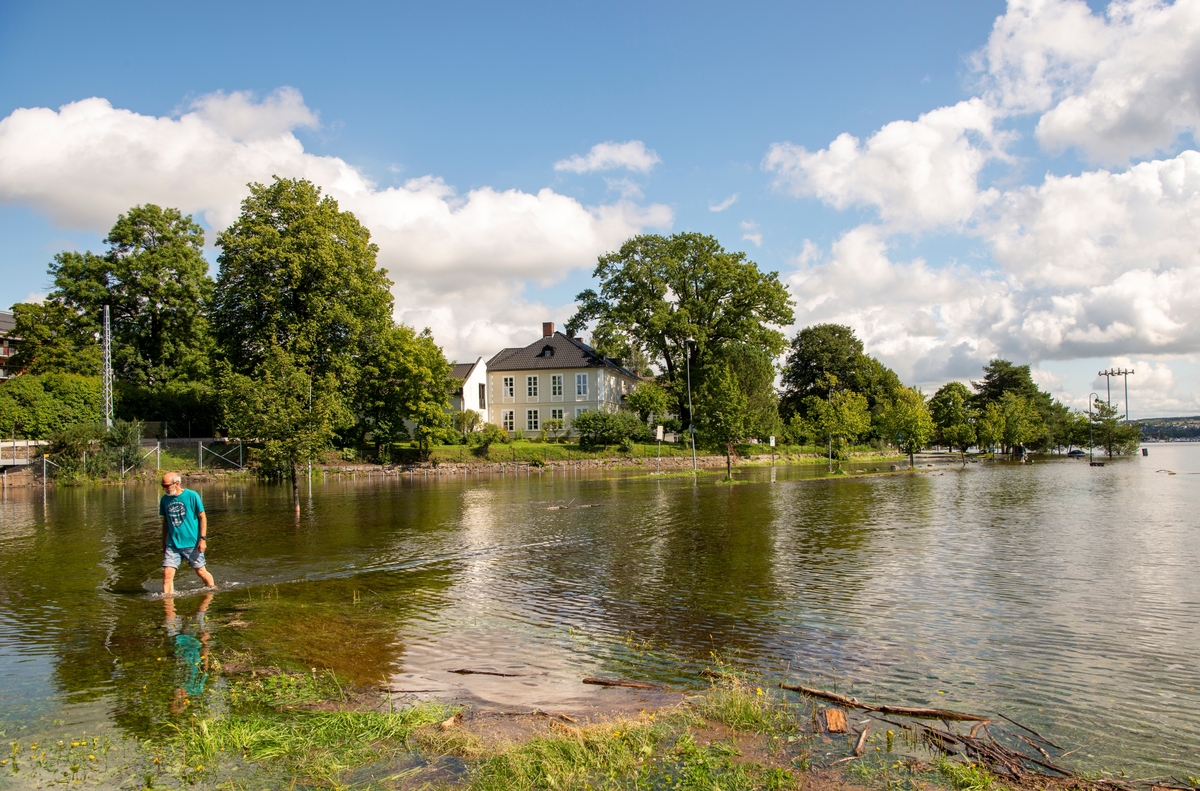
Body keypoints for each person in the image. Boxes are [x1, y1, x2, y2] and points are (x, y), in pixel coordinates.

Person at [159, 472, 215, 595]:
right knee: (167, 574)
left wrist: (202, 539)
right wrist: (164, 542)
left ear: (177, 483)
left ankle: (212, 590)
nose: (164, 489)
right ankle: (169, 609)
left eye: (167, 485)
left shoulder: (192, 496)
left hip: (192, 543)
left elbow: (202, 517)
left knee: (201, 571)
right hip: (172, 544)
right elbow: (166, 522)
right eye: (163, 485)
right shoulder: (164, 500)